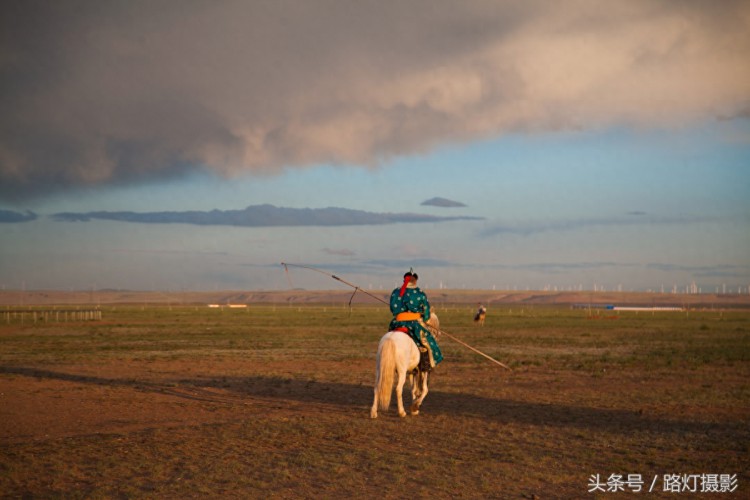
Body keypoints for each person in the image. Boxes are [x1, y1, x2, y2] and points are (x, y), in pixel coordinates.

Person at [388, 269, 443, 370]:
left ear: (404, 280)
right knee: (429, 343)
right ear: (415, 281)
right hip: (415, 324)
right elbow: (426, 312)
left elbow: (392, 309)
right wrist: (425, 320)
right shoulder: (420, 293)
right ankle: (425, 365)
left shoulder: (396, 292)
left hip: (397, 323)